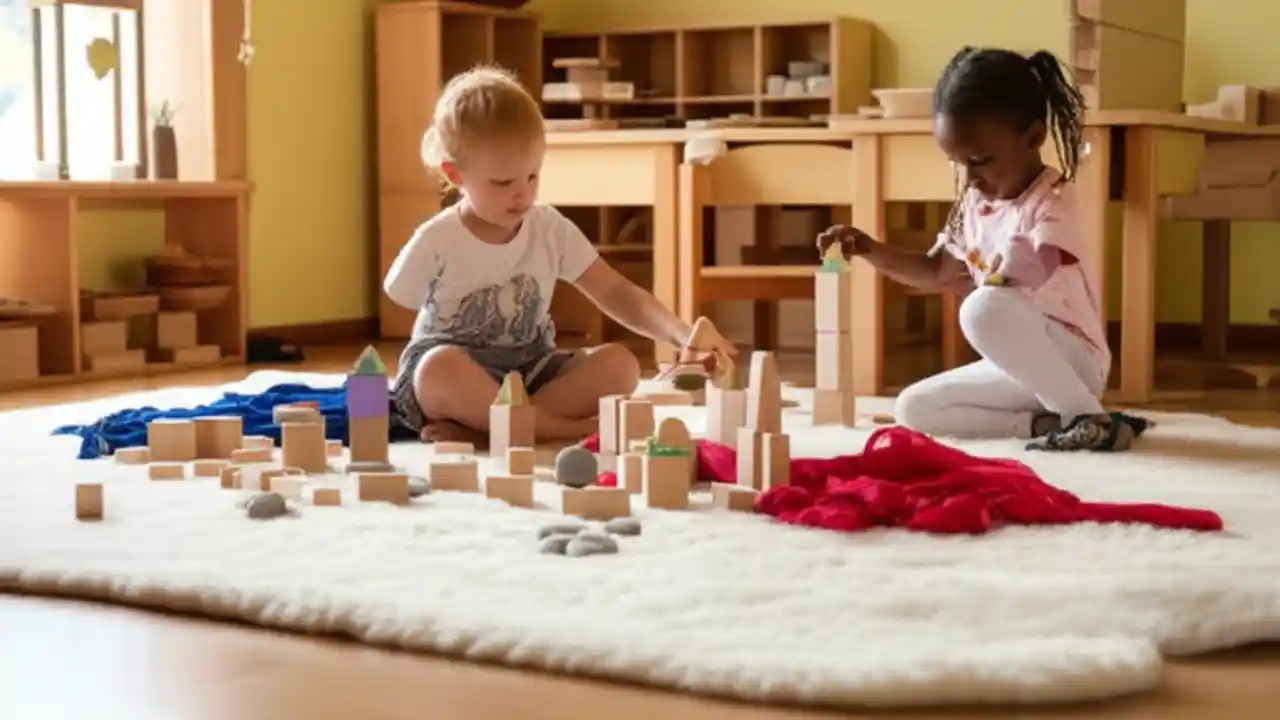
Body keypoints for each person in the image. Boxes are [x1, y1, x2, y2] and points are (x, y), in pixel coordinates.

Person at [384, 66, 735, 446]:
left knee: (622, 365)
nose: (522, 194)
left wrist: (680, 333)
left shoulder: (548, 227)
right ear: (456, 176)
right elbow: (398, 291)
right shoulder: (441, 236)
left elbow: (615, 291)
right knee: (437, 369)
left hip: (530, 370)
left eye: (532, 176)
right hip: (461, 378)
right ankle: (554, 429)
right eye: (503, 183)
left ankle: (496, 428)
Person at [818, 47, 1134, 452]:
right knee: (913, 408)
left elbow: (1042, 264)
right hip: (1018, 365)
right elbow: (936, 272)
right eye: (956, 163)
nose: (969, 178)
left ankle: (1083, 413)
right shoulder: (973, 205)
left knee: (983, 307)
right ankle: (1044, 424)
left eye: (981, 160)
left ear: (1034, 137)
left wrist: (1008, 271)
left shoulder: (1052, 199)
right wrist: (868, 248)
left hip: (1071, 362)